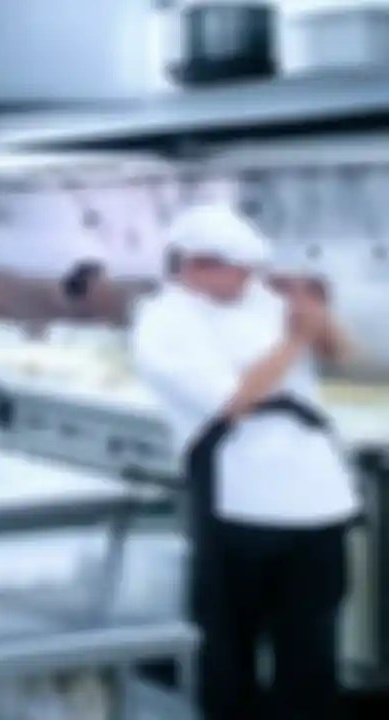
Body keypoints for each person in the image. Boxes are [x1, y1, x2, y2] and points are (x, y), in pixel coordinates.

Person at [131, 203, 359, 720]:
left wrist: (318, 315)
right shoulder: (165, 321)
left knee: (312, 652)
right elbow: (230, 401)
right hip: (240, 506)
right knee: (230, 649)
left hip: (318, 501)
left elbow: (342, 354)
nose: (249, 280)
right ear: (195, 265)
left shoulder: (258, 300)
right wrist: (295, 338)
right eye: (238, 269)